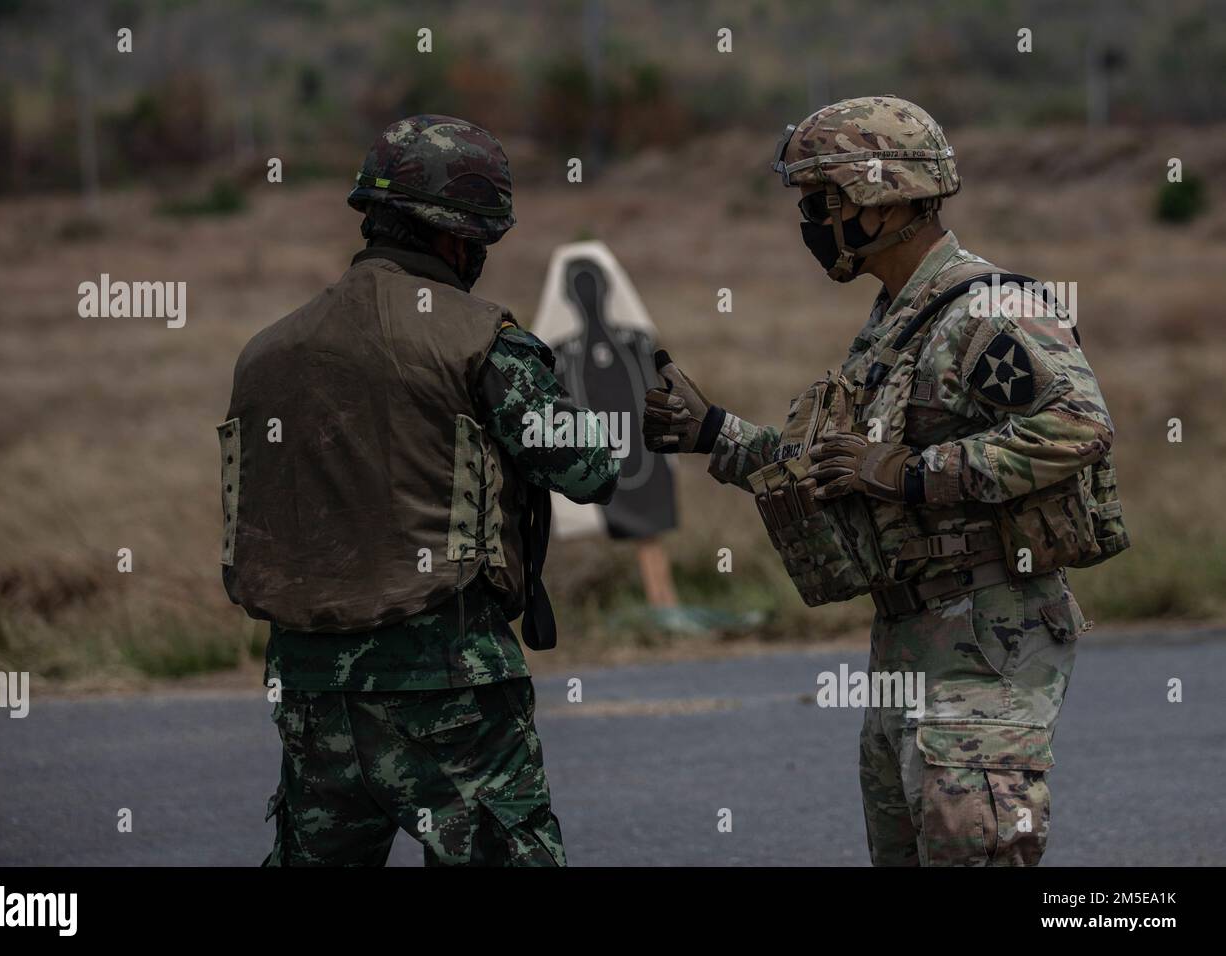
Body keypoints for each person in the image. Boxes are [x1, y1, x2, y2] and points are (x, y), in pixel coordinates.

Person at [643, 95, 1127, 866]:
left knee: (975, 852)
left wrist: (910, 473)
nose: (808, 223)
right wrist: (713, 433)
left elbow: (1079, 426)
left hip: (988, 637)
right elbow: (842, 473)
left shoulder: (989, 311)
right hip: (909, 638)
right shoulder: (896, 322)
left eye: (817, 202)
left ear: (874, 198)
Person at [219, 114, 619, 866]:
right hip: (449, 682)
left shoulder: (268, 350)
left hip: (309, 683)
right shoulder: (477, 338)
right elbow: (587, 471)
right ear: (458, 237)